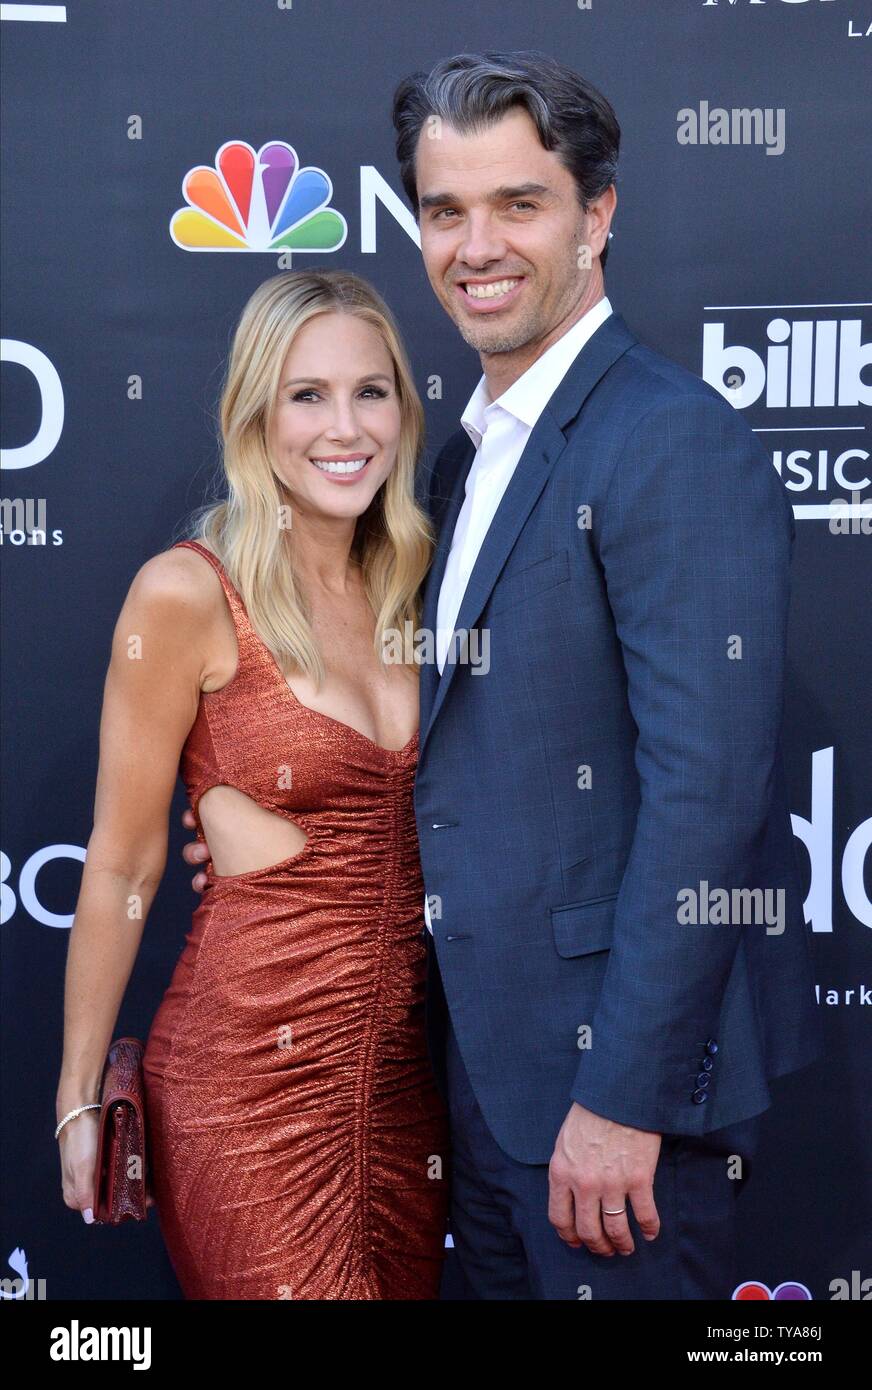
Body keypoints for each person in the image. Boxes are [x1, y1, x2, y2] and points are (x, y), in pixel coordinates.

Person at [185, 50, 823, 1301]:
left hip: (613, 1106)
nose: (475, 245)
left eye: (517, 204)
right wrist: (283, 825)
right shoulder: (458, 467)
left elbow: (704, 796)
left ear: (597, 214)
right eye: (443, 210)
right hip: (472, 1081)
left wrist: (623, 1096)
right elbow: (460, 756)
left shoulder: (665, 440)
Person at [56, 270, 449, 1300]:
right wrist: (77, 1095)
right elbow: (127, 860)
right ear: (253, 415)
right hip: (248, 1092)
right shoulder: (186, 593)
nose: (345, 426)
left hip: (407, 1098)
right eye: (306, 395)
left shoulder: (428, 580)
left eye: (372, 391)